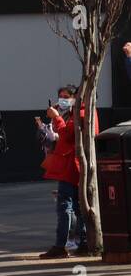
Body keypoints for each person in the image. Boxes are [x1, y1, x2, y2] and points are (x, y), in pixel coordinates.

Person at [39, 86, 96, 258]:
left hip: (72, 165)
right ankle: (84, 243)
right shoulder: (80, 112)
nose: (63, 100)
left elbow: (68, 135)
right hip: (73, 164)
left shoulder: (82, 113)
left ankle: (61, 245)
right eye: (60, 97)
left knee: (66, 205)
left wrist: (57, 118)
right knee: (78, 207)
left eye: (67, 96)